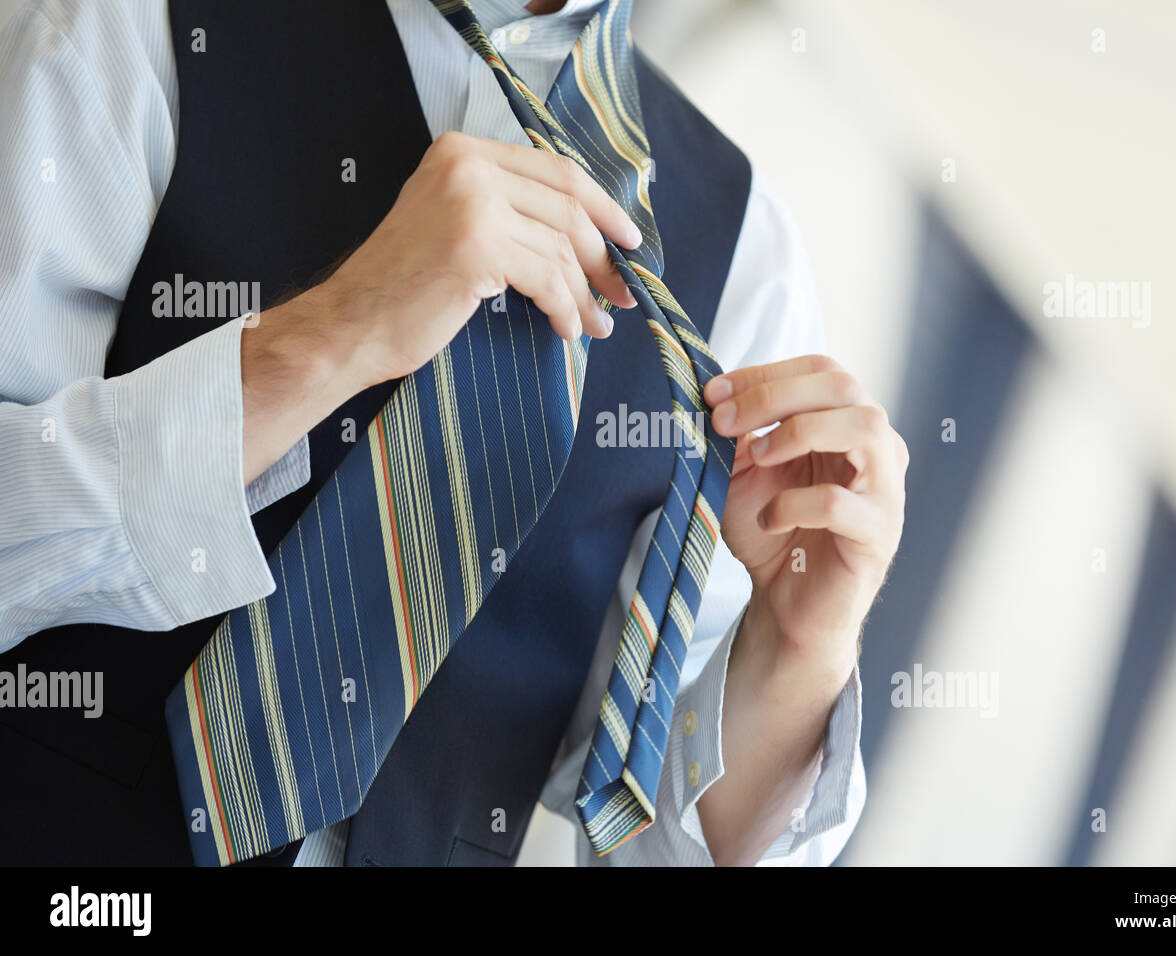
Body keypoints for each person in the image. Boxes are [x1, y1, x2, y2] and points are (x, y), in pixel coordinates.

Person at [0, 0, 906, 866]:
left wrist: (795, 650)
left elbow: (640, 839)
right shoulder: (133, 22)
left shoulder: (744, 257)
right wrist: (333, 332)